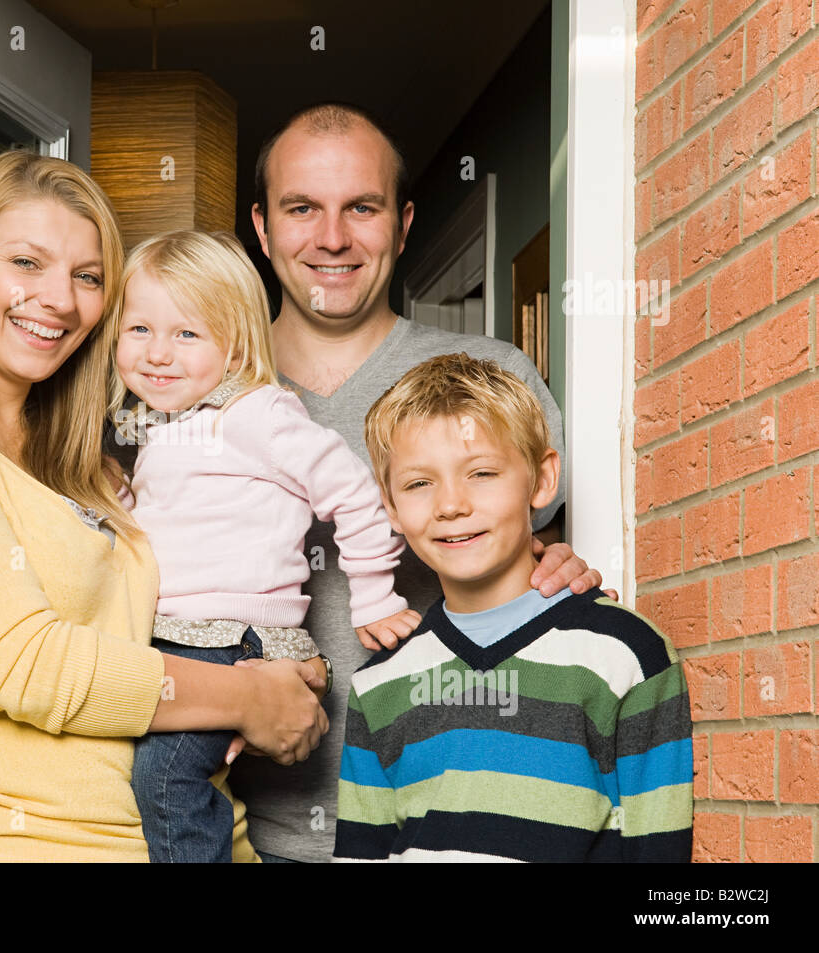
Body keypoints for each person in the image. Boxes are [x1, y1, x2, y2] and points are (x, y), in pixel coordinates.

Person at [0, 151, 328, 862]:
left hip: (196, 834)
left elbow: (208, 607)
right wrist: (247, 698)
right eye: (27, 263)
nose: (60, 299)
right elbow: (24, 663)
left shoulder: (96, 468)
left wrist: (285, 667)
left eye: (88, 277)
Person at [229, 101, 607, 863]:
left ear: (402, 225)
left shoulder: (494, 378)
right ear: (264, 227)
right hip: (234, 834)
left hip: (457, 829)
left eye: (360, 208)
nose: (332, 238)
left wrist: (563, 561)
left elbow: (547, 554)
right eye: (302, 208)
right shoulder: (197, 388)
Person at [110, 230, 420, 863]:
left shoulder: (256, 414)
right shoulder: (163, 427)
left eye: (187, 334)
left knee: (163, 779)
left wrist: (375, 598)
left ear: (236, 345)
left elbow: (355, 491)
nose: (158, 353)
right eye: (138, 329)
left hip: (232, 639)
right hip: (177, 639)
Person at [334, 353, 692, 861]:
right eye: (418, 483)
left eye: (481, 472)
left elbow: (657, 850)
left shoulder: (626, 654)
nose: (451, 504)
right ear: (389, 506)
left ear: (542, 480)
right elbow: (360, 852)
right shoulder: (377, 685)